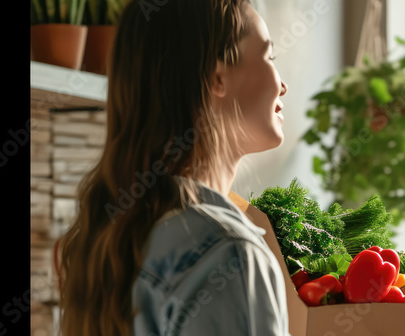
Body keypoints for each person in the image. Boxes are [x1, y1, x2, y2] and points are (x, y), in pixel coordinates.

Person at [54, 0, 291, 335]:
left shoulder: (107, 240)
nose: (283, 86)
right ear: (217, 75)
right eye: (269, 56)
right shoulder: (229, 253)